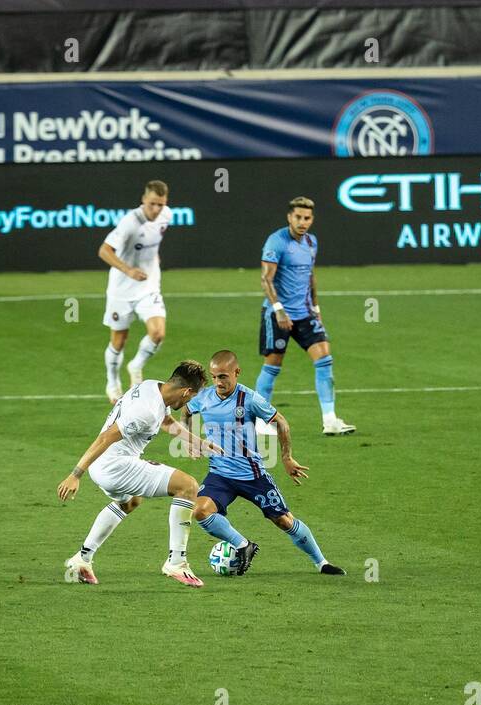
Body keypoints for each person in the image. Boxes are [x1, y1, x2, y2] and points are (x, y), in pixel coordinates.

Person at [186, 349, 345, 576]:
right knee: (200, 511)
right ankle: (243, 545)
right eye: (214, 376)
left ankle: (321, 562)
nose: (217, 382)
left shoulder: (249, 399)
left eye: (223, 376)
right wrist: (191, 439)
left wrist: (287, 457)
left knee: (284, 521)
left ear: (237, 372)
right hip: (219, 474)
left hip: (253, 476)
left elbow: (281, 422)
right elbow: (186, 411)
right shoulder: (204, 397)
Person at [58, 360, 215, 588]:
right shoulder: (145, 412)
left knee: (130, 501)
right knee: (188, 486)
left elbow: (166, 421)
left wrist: (195, 441)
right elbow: (105, 438)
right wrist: (75, 474)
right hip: (114, 466)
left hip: (107, 466)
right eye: (191, 397)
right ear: (186, 391)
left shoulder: (152, 387)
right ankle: (177, 562)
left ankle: (82, 559)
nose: (189, 401)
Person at [254, 196, 355, 437]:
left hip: (304, 313)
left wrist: (316, 309)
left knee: (324, 359)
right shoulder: (276, 241)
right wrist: (278, 309)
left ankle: (329, 420)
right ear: (290, 217)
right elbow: (266, 278)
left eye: (307, 218)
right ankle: (259, 421)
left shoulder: (311, 242)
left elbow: (310, 276)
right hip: (278, 314)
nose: (302, 222)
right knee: (273, 365)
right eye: (298, 217)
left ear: (312, 219)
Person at [99, 180, 172, 403]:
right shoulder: (130, 223)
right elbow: (104, 250)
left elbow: (154, 241)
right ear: (143, 201)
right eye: (152, 204)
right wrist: (128, 270)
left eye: (160, 204)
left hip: (148, 286)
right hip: (122, 289)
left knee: (158, 332)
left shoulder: (166, 216)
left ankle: (136, 366)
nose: (156, 209)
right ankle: (112, 382)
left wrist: (153, 260)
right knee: (119, 341)